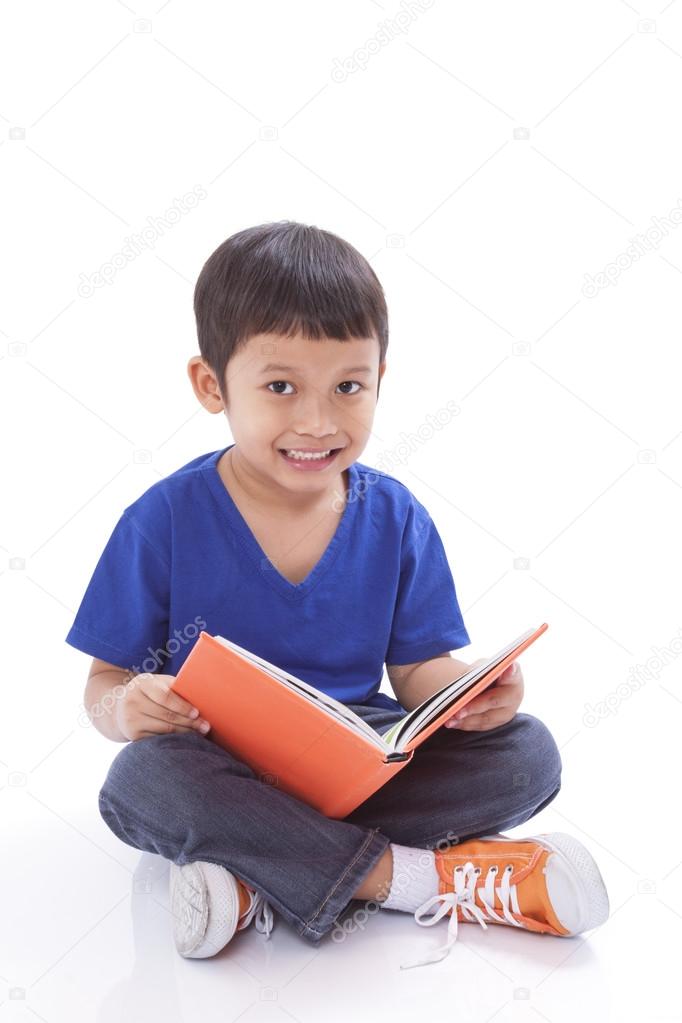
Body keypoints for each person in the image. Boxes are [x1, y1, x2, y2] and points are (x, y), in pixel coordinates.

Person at [66, 220, 610, 970]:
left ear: (380, 379)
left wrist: (468, 695)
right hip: (214, 767)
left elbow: (421, 671)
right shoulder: (162, 520)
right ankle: (420, 877)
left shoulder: (393, 517)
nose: (318, 422)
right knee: (140, 778)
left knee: (528, 755)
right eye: (280, 386)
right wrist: (128, 706)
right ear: (211, 385)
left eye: (348, 386)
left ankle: (255, 875)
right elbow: (102, 689)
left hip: (357, 756)